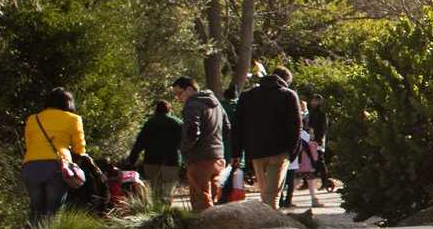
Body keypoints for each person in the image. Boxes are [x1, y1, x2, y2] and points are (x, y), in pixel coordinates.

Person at [234, 66, 306, 208]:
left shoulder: (247, 95)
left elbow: (238, 125)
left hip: (256, 150)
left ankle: (267, 219)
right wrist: (293, 151)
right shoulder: (288, 95)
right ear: (287, 80)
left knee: (264, 191)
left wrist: (237, 152)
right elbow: (296, 127)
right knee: (273, 193)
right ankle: (272, 224)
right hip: (280, 150)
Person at [19, 87, 87, 219]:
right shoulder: (74, 119)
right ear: (68, 104)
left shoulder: (33, 119)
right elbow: (79, 149)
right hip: (57, 167)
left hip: (31, 166)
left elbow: (28, 144)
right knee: (53, 210)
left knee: (36, 208)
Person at [172, 76, 226, 211]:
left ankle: (205, 227)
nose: (178, 98)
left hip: (199, 157)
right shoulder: (216, 103)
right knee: (216, 196)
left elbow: (192, 132)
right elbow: (227, 127)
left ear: (190, 89)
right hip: (218, 156)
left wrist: (184, 149)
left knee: (201, 198)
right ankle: (219, 225)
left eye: (179, 93)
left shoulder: (192, 105)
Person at [129, 99, 185, 206]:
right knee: (170, 181)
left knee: (155, 184)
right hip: (172, 160)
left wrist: (132, 159)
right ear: (169, 109)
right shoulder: (178, 123)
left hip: (151, 160)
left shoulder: (150, 123)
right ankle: (166, 202)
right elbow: (185, 142)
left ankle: (157, 209)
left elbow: (140, 142)